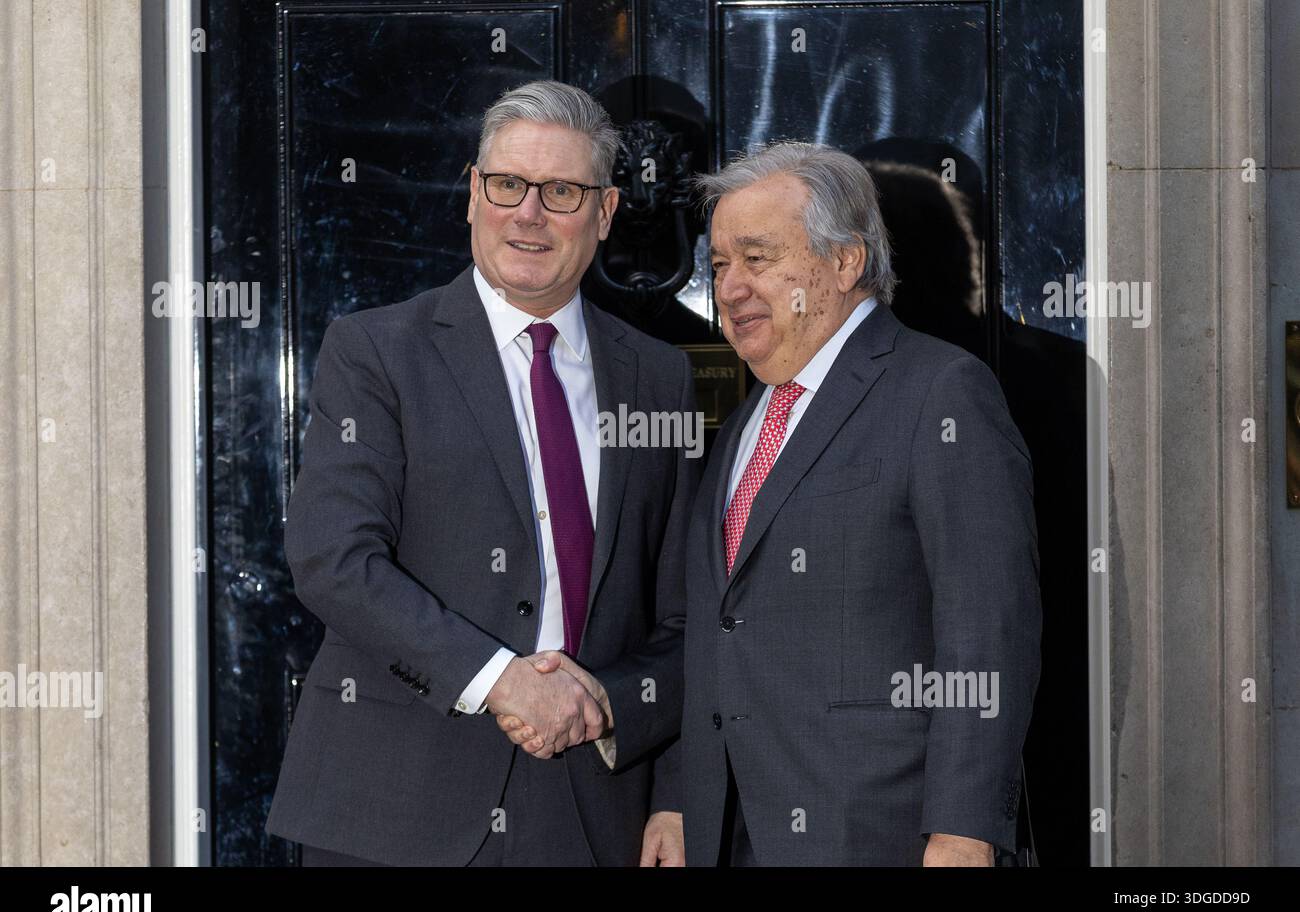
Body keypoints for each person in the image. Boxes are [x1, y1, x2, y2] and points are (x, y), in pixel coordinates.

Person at [266, 80, 695, 866]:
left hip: (593, 810)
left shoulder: (660, 379)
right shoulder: (376, 353)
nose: (528, 213)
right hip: (393, 807)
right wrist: (501, 680)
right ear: (472, 194)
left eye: (562, 191)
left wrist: (669, 789)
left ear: (603, 214)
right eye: (507, 185)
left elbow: (684, 617)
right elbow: (333, 559)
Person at [676, 141, 1041, 866]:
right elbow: (719, 633)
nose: (730, 287)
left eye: (758, 258)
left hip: (882, 833)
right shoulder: (746, 423)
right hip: (733, 832)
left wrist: (965, 829)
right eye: (719, 265)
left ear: (844, 262)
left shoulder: (940, 392)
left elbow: (988, 628)